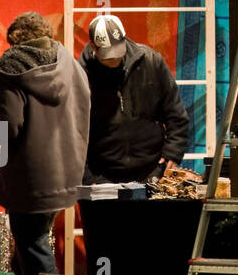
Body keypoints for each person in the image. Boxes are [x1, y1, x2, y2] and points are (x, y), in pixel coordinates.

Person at [0, 11, 90, 275]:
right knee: (30, 246)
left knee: (34, 249)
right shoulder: (69, 64)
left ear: (14, 42)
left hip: (32, 178)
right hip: (67, 172)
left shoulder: (10, 69)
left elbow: (6, 126)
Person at [78, 14, 190, 183]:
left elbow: (176, 113)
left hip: (151, 171)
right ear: (94, 47)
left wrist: (173, 153)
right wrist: (86, 176)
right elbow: (74, 130)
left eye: (118, 52)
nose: (115, 59)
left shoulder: (151, 61)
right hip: (101, 176)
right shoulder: (81, 75)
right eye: (109, 55)